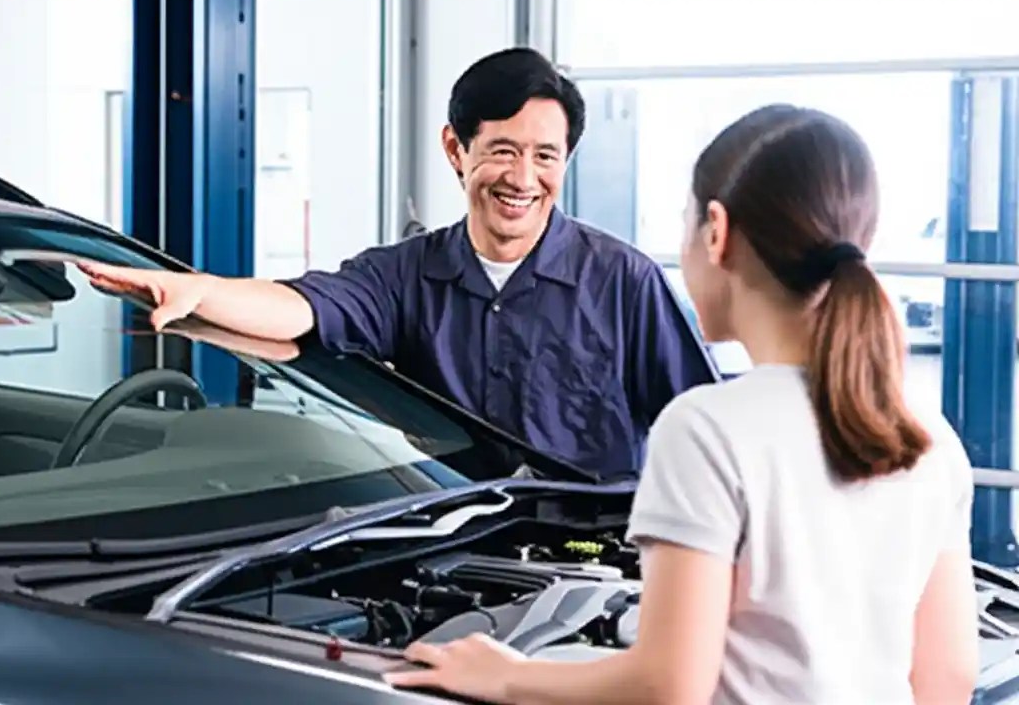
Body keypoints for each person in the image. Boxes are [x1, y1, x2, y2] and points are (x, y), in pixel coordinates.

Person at [383, 104, 980, 704]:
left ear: (716, 232)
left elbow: (667, 686)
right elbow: (948, 679)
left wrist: (503, 675)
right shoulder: (924, 434)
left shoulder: (707, 429)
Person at [80, 46, 717, 481]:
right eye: (503, 151)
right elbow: (304, 307)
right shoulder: (405, 276)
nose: (524, 179)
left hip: (591, 565)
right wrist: (199, 291)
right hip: (440, 552)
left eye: (545, 156)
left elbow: (707, 435)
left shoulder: (624, 283)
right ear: (456, 150)